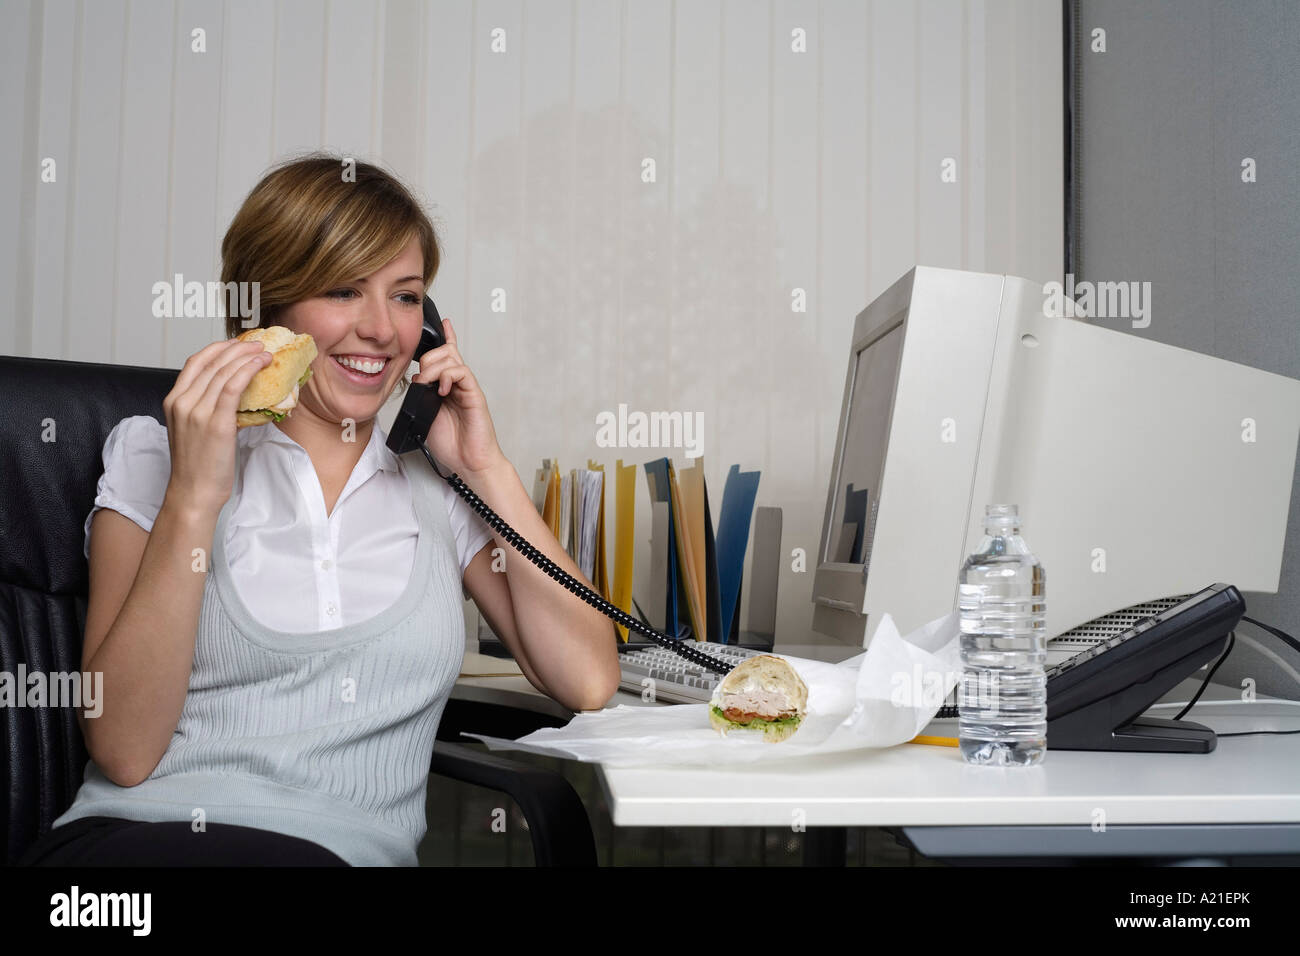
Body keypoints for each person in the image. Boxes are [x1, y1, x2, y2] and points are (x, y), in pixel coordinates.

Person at [18, 154, 620, 867]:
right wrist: (194, 497)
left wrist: (485, 467)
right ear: (266, 311)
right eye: (342, 290)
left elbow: (588, 678)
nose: (380, 330)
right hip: (129, 858)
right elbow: (122, 750)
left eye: (404, 297)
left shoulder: (441, 493)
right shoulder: (152, 458)